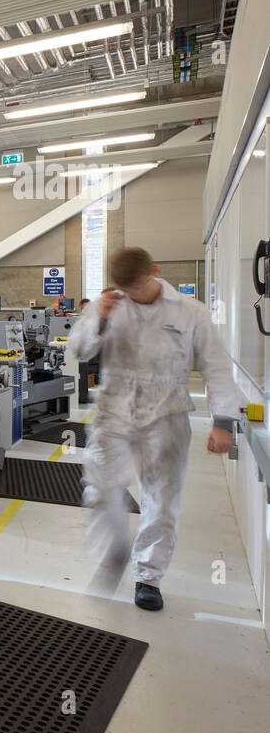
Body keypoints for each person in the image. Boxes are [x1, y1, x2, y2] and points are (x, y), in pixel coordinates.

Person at [68, 247, 239, 611]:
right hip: (114, 413)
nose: (133, 296)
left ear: (155, 272)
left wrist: (223, 421)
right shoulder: (108, 304)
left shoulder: (190, 311)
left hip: (167, 416)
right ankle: (114, 550)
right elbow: (78, 350)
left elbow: (216, 367)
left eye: (138, 288)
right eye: (126, 290)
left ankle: (148, 577)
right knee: (100, 486)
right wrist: (99, 318)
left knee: (161, 500)